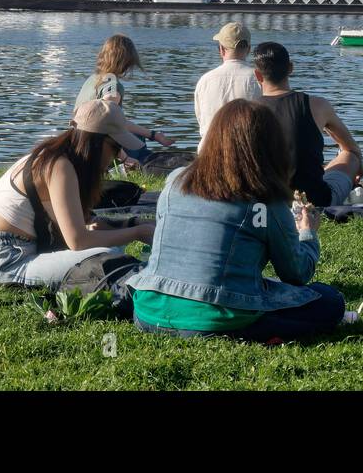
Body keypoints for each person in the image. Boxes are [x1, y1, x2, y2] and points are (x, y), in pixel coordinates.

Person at [128, 99, 345, 342]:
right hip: (212, 319)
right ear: (269, 145)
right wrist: (308, 233)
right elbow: (296, 274)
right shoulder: (264, 199)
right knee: (329, 300)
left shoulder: (176, 181)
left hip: (148, 311)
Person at [0, 100, 155, 287]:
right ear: (97, 142)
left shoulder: (60, 158)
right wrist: (137, 232)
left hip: (22, 252)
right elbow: (78, 240)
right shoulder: (59, 166)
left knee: (112, 250)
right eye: (116, 148)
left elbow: (89, 223)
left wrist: (132, 224)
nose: (117, 157)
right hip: (6, 262)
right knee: (109, 258)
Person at [252, 42, 362, 206]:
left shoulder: (246, 111)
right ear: (290, 68)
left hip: (266, 200)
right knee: (350, 157)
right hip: (314, 200)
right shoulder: (318, 105)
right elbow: (351, 149)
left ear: (257, 75)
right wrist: (359, 171)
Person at [75, 34, 176, 163]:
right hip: (96, 147)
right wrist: (126, 159)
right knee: (142, 148)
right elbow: (105, 125)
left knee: (138, 136)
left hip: (79, 141)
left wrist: (154, 135)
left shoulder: (92, 79)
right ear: (126, 62)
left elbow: (117, 123)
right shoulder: (113, 88)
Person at [193, 22, 262, 152]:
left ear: (221, 49)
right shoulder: (259, 79)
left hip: (209, 152)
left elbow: (201, 120)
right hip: (247, 154)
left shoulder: (205, 80)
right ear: (248, 49)